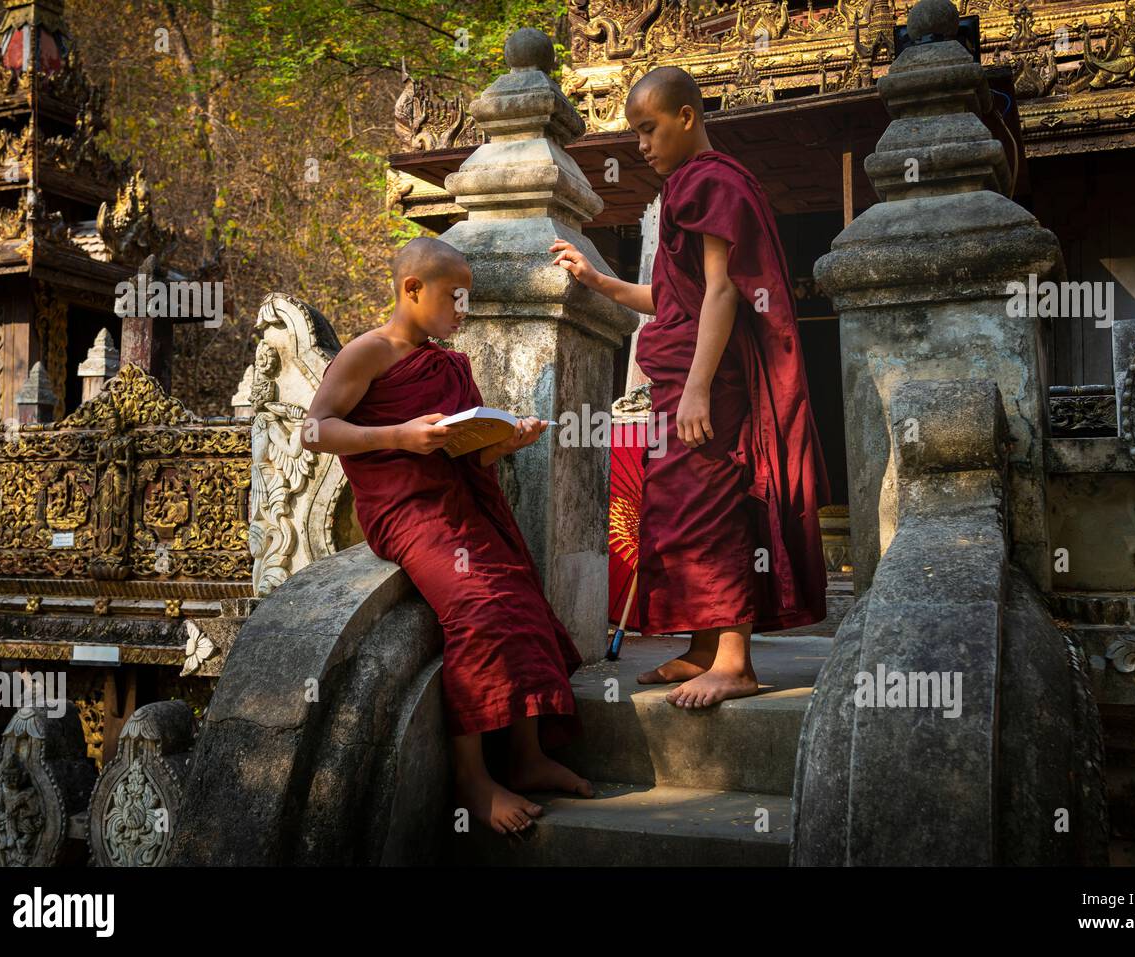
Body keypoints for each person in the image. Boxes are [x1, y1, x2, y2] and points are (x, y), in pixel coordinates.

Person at [550, 66, 831, 709]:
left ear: (686, 117)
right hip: (680, 377)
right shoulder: (685, 188)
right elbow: (676, 300)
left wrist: (700, 386)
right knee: (677, 510)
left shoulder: (710, 182)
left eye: (648, 128)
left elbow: (726, 288)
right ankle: (704, 648)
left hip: (709, 383)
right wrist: (596, 281)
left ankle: (735, 661)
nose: (641, 145)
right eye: (634, 132)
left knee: (710, 506)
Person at [304, 236, 593, 836]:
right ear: (412, 290)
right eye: (454, 297)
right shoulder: (368, 353)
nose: (463, 309)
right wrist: (400, 436)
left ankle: (528, 755)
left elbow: (470, 455)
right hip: (407, 510)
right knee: (478, 609)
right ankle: (471, 777)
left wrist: (505, 440)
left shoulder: (451, 364)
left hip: (462, 503)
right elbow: (316, 430)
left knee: (521, 599)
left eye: (468, 298)